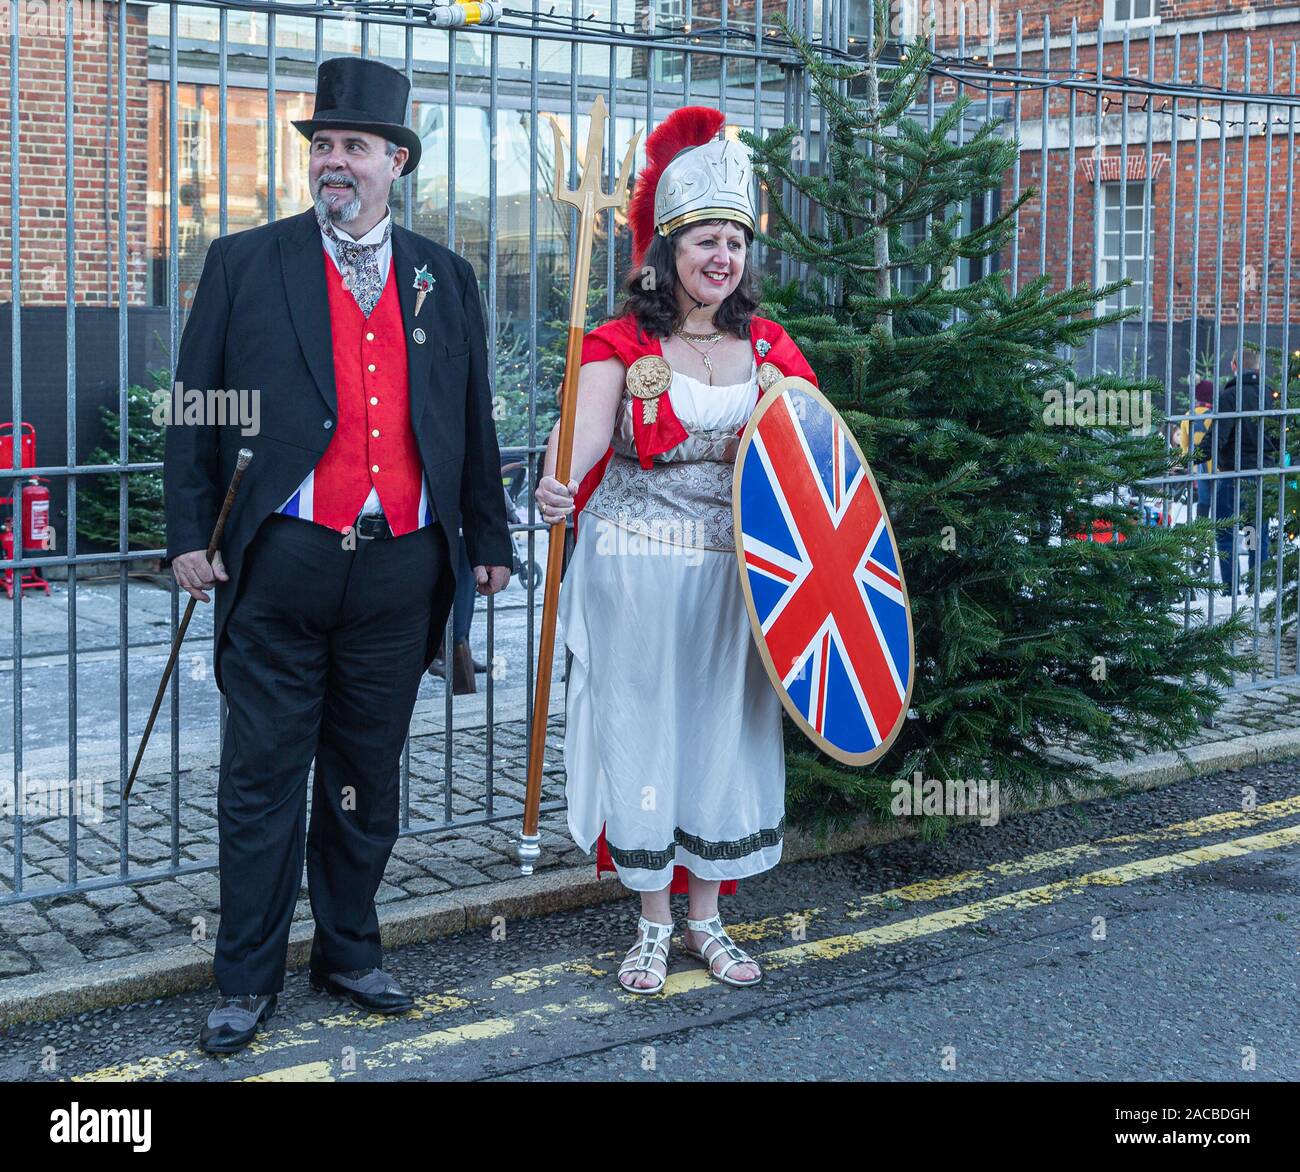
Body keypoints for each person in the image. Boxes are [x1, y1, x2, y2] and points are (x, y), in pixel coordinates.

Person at [164, 57, 513, 1054]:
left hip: (400, 570)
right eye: (321, 146)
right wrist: (190, 534)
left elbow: (467, 421)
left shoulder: (445, 277)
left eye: (354, 146)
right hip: (284, 562)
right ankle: (244, 976)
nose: (334, 162)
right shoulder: (245, 261)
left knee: (367, 772)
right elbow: (196, 411)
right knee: (262, 778)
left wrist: (486, 535)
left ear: (396, 161)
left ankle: (350, 949)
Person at [537, 107, 818, 994]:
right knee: (644, 736)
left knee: (722, 739)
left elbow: (814, 458)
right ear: (668, 251)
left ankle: (708, 920)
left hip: (735, 582)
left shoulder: (768, 346)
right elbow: (575, 453)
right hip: (638, 572)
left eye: (734, 240)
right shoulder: (623, 343)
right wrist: (553, 485)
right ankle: (652, 925)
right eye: (704, 239)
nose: (722, 256)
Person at [1213, 347, 1280, 593]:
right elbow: (1278, 437)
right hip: (1261, 476)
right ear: (1259, 368)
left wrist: (1194, 458)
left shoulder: (1230, 396)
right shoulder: (1269, 396)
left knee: (1226, 531)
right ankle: (1256, 586)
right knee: (1255, 531)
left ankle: (1231, 588)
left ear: (1233, 366)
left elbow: (1218, 436)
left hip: (1233, 475)